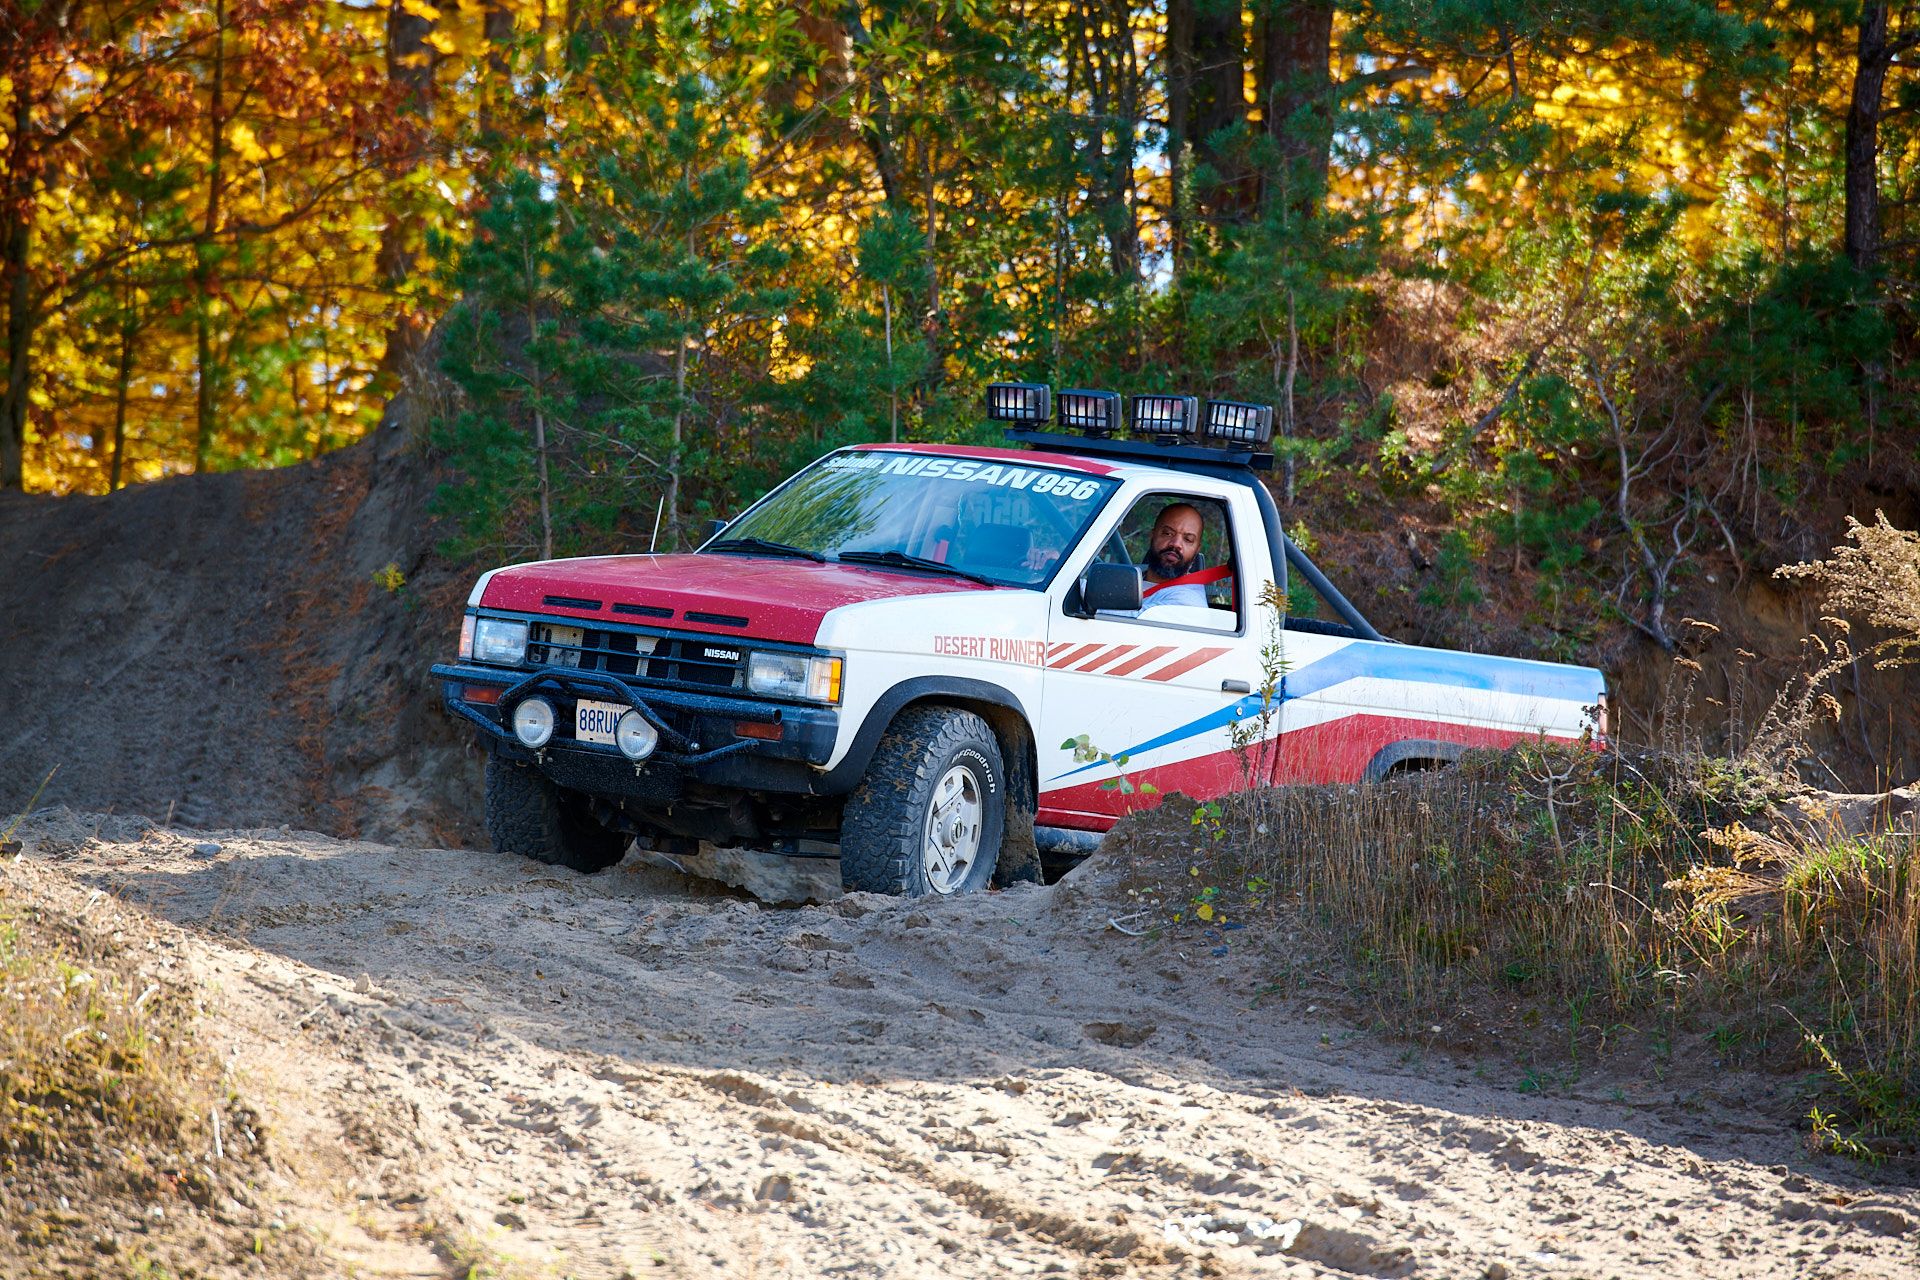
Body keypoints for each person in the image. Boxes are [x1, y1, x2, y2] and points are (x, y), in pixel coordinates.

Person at [1135, 502, 1211, 612]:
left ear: (1196, 550)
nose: (1176, 544)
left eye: (1188, 539)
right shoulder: (1135, 575)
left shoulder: (1189, 601)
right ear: (1152, 535)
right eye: (1167, 533)